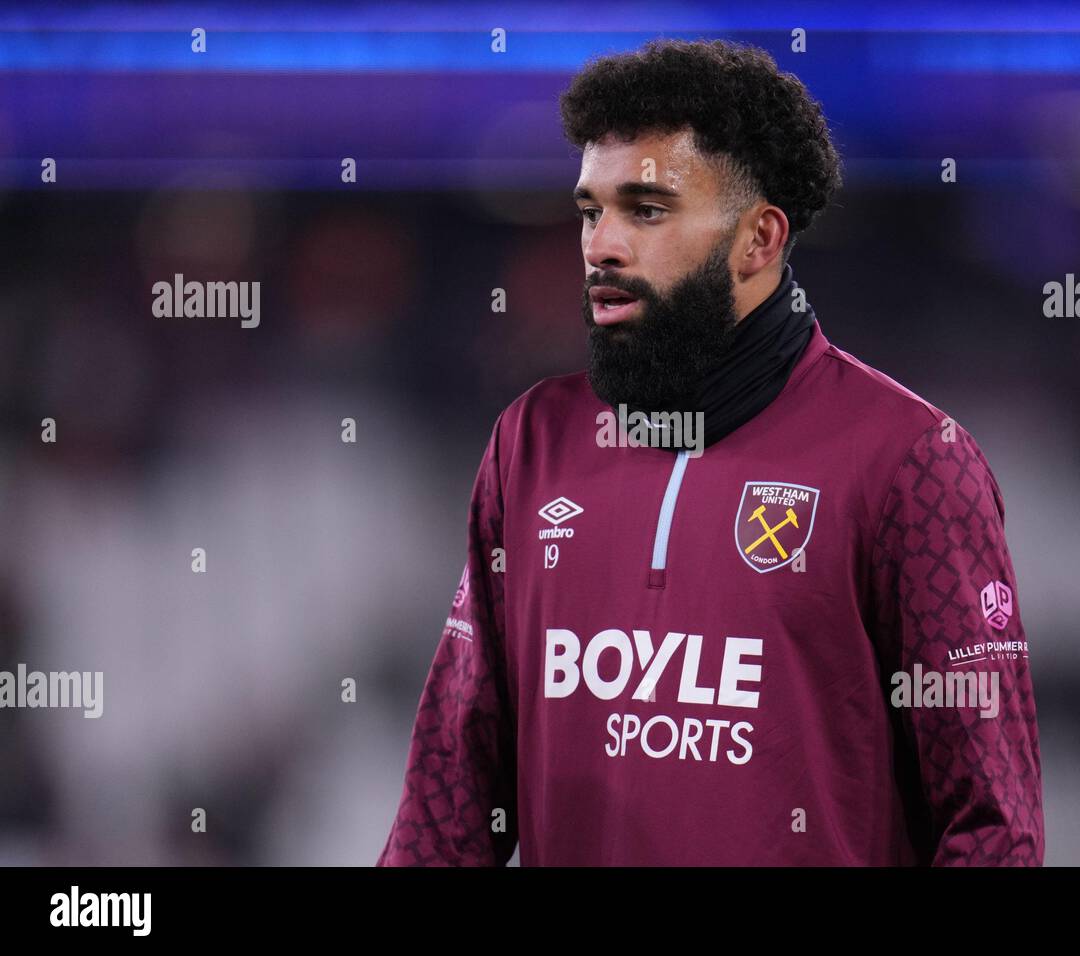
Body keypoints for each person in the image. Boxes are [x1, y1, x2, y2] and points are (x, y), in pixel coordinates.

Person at [377, 38, 1043, 866]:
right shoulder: (531, 442)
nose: (601, 246)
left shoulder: (911, 461)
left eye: (647, 210)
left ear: (759, 239)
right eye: (592, 211)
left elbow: (992, 831)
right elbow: (451, 793)